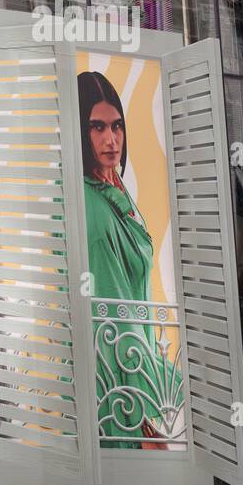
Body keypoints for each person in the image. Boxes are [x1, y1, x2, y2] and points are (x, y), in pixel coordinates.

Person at [79, 71, 172, 448]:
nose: (110, 139)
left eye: (116, 126)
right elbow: (113, 318)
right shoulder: (89, 206)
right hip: (119, 389)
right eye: (97, 127)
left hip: (143, 374)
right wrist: (142, 417)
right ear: (80, 133)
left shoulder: (118, 189)